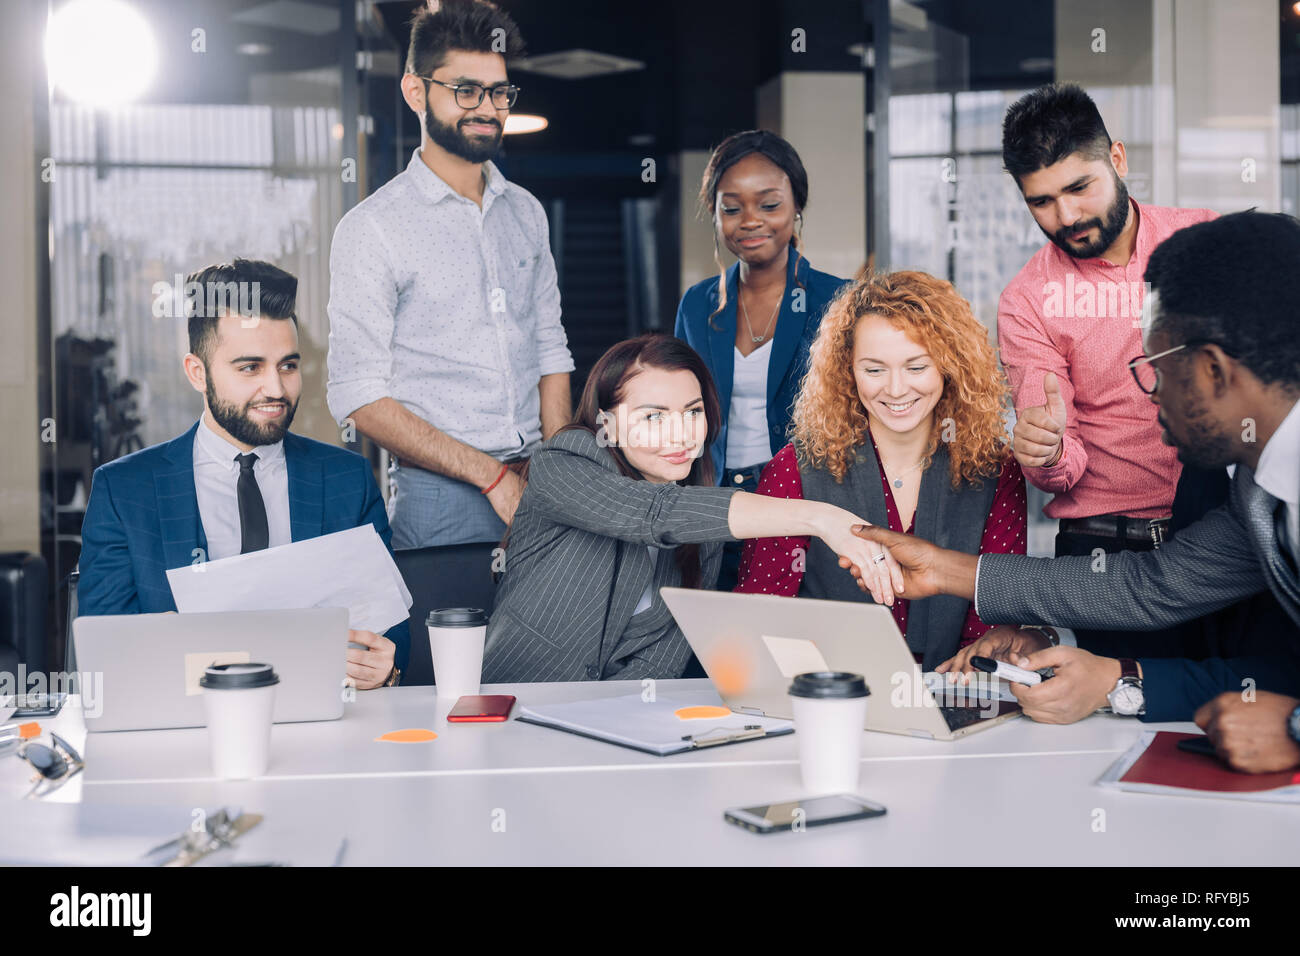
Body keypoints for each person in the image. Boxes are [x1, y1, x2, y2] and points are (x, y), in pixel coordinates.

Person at [849, 212, 1300, 773]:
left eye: (1156, 369)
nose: (1148, 396)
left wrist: (1293, 727)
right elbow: (1151, 584)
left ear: (1213, 370)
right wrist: (944, 569)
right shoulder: (1257, 489)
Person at [481, 334, 903, 683]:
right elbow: (654, 514)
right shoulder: (563, 461)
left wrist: (612, 725)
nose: (680, 435)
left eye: (693, 412)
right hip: (513, 708)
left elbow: (661, 664)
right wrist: (821, 517)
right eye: (653, 417)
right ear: (607, 424)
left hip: (614, 724)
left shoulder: (704, 525)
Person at [79, 260, 409, 689]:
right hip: (185, 723)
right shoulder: (124, 491)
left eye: (288, 366)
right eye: (250, 367)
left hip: (326, 718)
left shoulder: (347, 480)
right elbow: (104, 664)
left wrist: (386, 672)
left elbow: (393, 635)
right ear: (197, 373)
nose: (276, 389)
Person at [326, 0, 573, 549]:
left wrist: (556, 469)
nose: (487, 108)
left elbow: (550, 350)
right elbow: (357, 397)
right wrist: (491, 476)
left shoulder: (526, 212)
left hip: (538, 485)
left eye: (499, 92)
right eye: (466, 90)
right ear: (416, 92)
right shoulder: (372, 228)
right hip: (439, 497)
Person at [735, 271, 1031, 670]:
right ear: (847, 371)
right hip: (828, 692)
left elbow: (995, 611)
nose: (895, 389)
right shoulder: (792, 470)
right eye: (874, 370)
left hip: (955, 694)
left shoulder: (997, 469)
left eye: (916, 367)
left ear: (950, 366)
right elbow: (763, 613)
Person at [998, 82, 1216, 564]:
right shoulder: (1026, 301)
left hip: (1223, 531)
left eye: (1079, 188)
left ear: (1117, 159)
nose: (1066, 216)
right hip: (1103, 547)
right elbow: (1062, 462)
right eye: (1041, 201)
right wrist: (1048, 452)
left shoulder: (1203, 239)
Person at [674, 130, 848, 588]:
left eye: (769, 205)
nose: (750, 220)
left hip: (804, 505)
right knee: (717, 625)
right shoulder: (697, 304)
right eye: (732, 209)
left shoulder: (839, 300)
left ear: (797, 207)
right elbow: (678, 412)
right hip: (714, 505)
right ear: (714, 215)